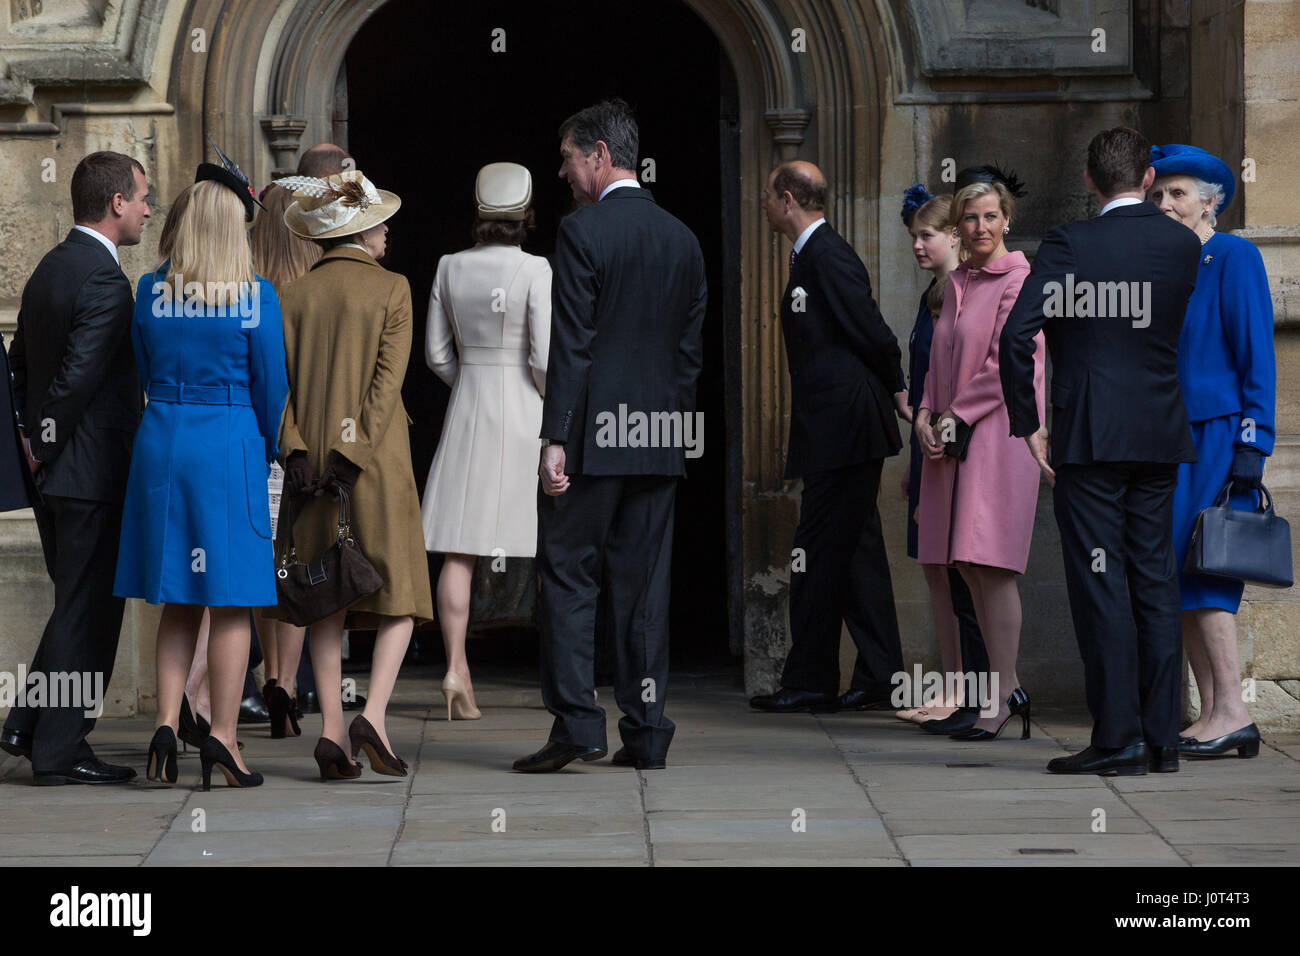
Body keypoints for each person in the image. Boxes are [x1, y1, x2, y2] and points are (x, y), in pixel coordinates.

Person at [1000, 128, 1201, 774]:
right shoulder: (1181, 242)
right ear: (1147, 179)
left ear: (1089, 181)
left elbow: (1016, 335)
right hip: (1158, 432)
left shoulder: (1070, 243)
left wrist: (1028, 421)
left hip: (1089, 433)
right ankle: (1162, 738)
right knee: (1154, 577)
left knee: (1100, 579)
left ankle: (1120, 737)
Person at [515, 98, 706, 773]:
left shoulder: (583, 232)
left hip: (593, 441)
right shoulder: (683, 238)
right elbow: (688, 357)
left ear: (599, 156)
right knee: (644, 589)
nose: (562, 172)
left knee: (568, 575)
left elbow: (575, 345)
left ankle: (578, 725)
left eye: (567, 158)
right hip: (657, 440)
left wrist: (556, 438)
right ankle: (647, 731)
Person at [115, 153, 288, 790]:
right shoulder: (255, 297)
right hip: (229, 445)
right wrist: (267, 443)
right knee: (234, 601)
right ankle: (222, 738)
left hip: (163, 441)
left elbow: (140, 367)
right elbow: (272, 387)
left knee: (178, 598)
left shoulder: (150, 293)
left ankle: (164, 725)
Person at [274, 167, 433, 781]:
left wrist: (297, 451)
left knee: (323, 596)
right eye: (380, 221)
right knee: (401, 594)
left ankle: (333, 731)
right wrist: (355, 456)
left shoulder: (289, 296)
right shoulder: (393, 289)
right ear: (361, 230)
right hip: (377, 464)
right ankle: (374, 716)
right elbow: (385, 387)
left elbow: (278, 391)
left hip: (311, 467)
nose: (388, 229)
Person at [1, 151, 149, 784]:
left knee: (74, 603)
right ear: (116, 204)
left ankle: (27, 724)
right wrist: (48, 440)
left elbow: (19, 365)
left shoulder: (49, 268)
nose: (148, 208)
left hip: (57, 474)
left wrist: (32, 441)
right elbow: (76, 378)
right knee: (87, 609)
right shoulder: (106, 281)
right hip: (89, 474)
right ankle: (60, 750)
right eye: (143, 197)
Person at [749, 160, 910, 715]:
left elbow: (873, 331)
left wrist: (897, 390)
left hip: (845, 431)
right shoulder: (812, 255)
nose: (763, 204)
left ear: (788, 199)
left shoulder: (828, 256)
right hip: (838, 430)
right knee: (856, 554)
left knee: (812, 554)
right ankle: (881, 675)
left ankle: (813, 679)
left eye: (768, 196)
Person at [1149, 144, 1275, 760]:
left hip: (1221, 434)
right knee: (1178, 575)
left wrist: (1255, 442)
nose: (1167, 203)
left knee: (1209, 573)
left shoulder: (1234, 255)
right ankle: (1212, 713)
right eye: (1160, 193)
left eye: (1179, 192)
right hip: (1173, 438)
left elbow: (1258, 355)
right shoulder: (1166, 262)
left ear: (1211, 200)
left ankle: (1233, 711)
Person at [915, 166, 1044, 742]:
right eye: (971, 216)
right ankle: (1002, 691)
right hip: (951, 439)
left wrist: (952, 414)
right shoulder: (956, 283)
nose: (981, 225)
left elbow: (1006, 364)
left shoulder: (1020, 280)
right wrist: (923, 413)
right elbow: (938, 359)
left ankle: (1001, 693)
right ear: (959, 225)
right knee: (964, 564)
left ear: (1007, 221)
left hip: (997, 438)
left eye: (991, 215)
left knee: (991, 564)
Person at [422, 162, 551, 720]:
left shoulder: (450, 266)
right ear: (526, 216)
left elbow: (436, 355)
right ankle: (563, 681)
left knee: (460, 547)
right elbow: (545, 359)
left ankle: (455, 667)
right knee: (551, 547)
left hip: (468, 411)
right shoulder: (537, 269)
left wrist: (472, 381)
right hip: (525, 413)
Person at [896, 186, 989, 733]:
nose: (917, 244)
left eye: (926, 234)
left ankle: (966, 690)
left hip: (955, 438)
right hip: (928, 438)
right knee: (935, 567)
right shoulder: (933, 296)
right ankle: (955, 685)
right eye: (912, 237)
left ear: (955, 235)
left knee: (960, 571)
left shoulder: (963, 295)